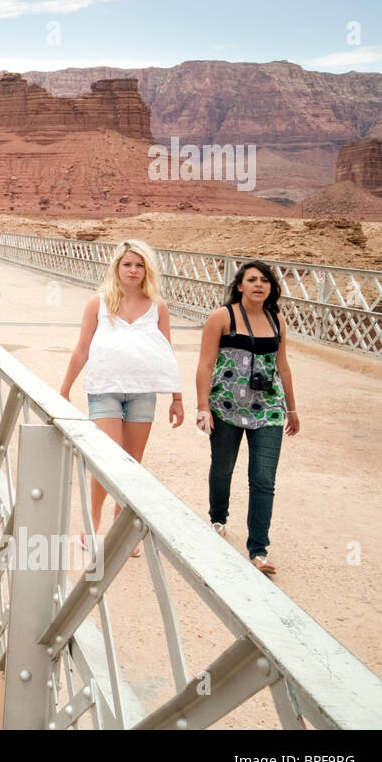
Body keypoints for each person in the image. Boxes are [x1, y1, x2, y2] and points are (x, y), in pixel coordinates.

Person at [60, 239, 184, 556]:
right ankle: (92, 521)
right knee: (106, 458)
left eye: (139, 265)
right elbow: (82, 348)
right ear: (117, 267)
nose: (133, 270)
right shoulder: (98, 303)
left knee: (132, 463)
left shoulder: (157, 306)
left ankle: (122, 529)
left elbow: (166, 353)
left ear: (147, 269)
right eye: (127, 264)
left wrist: (177, 397)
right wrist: (64, 388)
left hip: (143, 391)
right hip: (105, 389)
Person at [194, 260, 298, 576]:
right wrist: (202, 407)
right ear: (239, 286)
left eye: (265, 280)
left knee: (263, 479)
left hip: (268, 410)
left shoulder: (276, 319)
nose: (258, 284)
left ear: (271, 287)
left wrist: (292, 408)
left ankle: (259, 551)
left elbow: (282, 366)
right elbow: (205, 364)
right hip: (226, 408)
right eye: (251, 279)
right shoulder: (222, 317)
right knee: (223, 467)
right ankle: (218, 518)